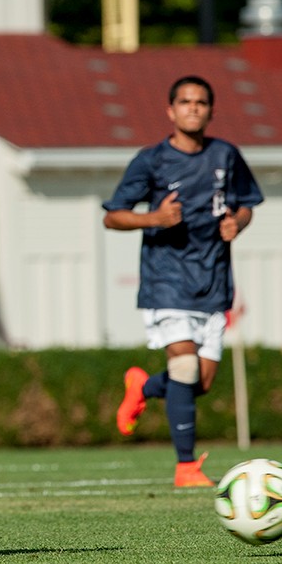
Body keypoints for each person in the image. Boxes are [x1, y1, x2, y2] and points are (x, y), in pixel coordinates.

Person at [102, 75, 264, 488]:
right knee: (185, 365)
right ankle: (186, 468)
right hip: (166, 281)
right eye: (185, 101)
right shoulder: (151, 160)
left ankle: (143, 385)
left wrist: (237, 224)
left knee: (200, 383)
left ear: (210, 110)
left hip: (213, 283)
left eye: (201, 102)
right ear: (171, 110)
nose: (194, 108)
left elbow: (246, 205)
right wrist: (154, 217)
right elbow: (113, 215)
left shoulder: (227, 155)